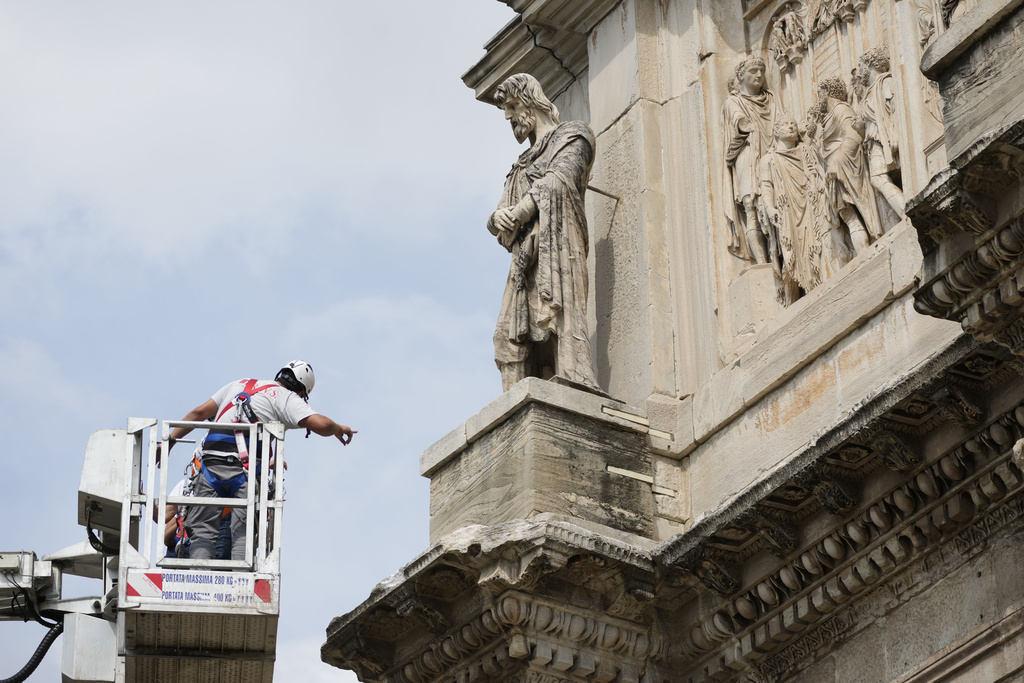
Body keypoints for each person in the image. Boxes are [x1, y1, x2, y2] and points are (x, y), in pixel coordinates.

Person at [162, 360, 355, 561]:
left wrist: (168, 443)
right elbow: (322, 425)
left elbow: (198, 413)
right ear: (301, 392)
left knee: (202, 533)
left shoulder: (239, 384)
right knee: (242, 531)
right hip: (243, 472)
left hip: (210, 465)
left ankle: (198, 576)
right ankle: (239, 583)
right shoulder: (286, 398)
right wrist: (339, 429)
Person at [488, 73, 600, 392]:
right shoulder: (521, 163)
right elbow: (500, 210)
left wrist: (521, 211)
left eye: (511, 106)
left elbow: (559, 178)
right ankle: (518, 399)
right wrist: (499, 219)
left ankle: (571, 386)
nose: (508, 116)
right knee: (507, 338)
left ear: (530, 101)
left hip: (560, 250)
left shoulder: (574, 135)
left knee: (561, 322)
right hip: (524, 262)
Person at [722, 56, 782, 264]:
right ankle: (763, 262)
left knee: (775, 198)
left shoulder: (771, 98)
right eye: (753, 71)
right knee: (751, 206)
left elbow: (780, 120)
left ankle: (779, 257)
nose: (759, 75)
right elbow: (739, 120)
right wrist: (743, 124)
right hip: (747, 154)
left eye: (761, 71)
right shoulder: (733, 101)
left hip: (772, 151)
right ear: (741, 76)